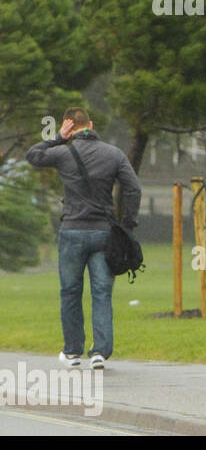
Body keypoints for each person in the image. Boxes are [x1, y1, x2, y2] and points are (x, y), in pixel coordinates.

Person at [25, 108, 141, 370]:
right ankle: (100, 352)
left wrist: (57, 137)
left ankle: (73, 351)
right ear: (91, 123)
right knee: (101, 292)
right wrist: (128, 225)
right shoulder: (114, 154)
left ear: (69, 126)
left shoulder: (62, 153)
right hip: (103, 233)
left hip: (72, 232)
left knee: (70, 292)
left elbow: (33, 155)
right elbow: (133, 188)